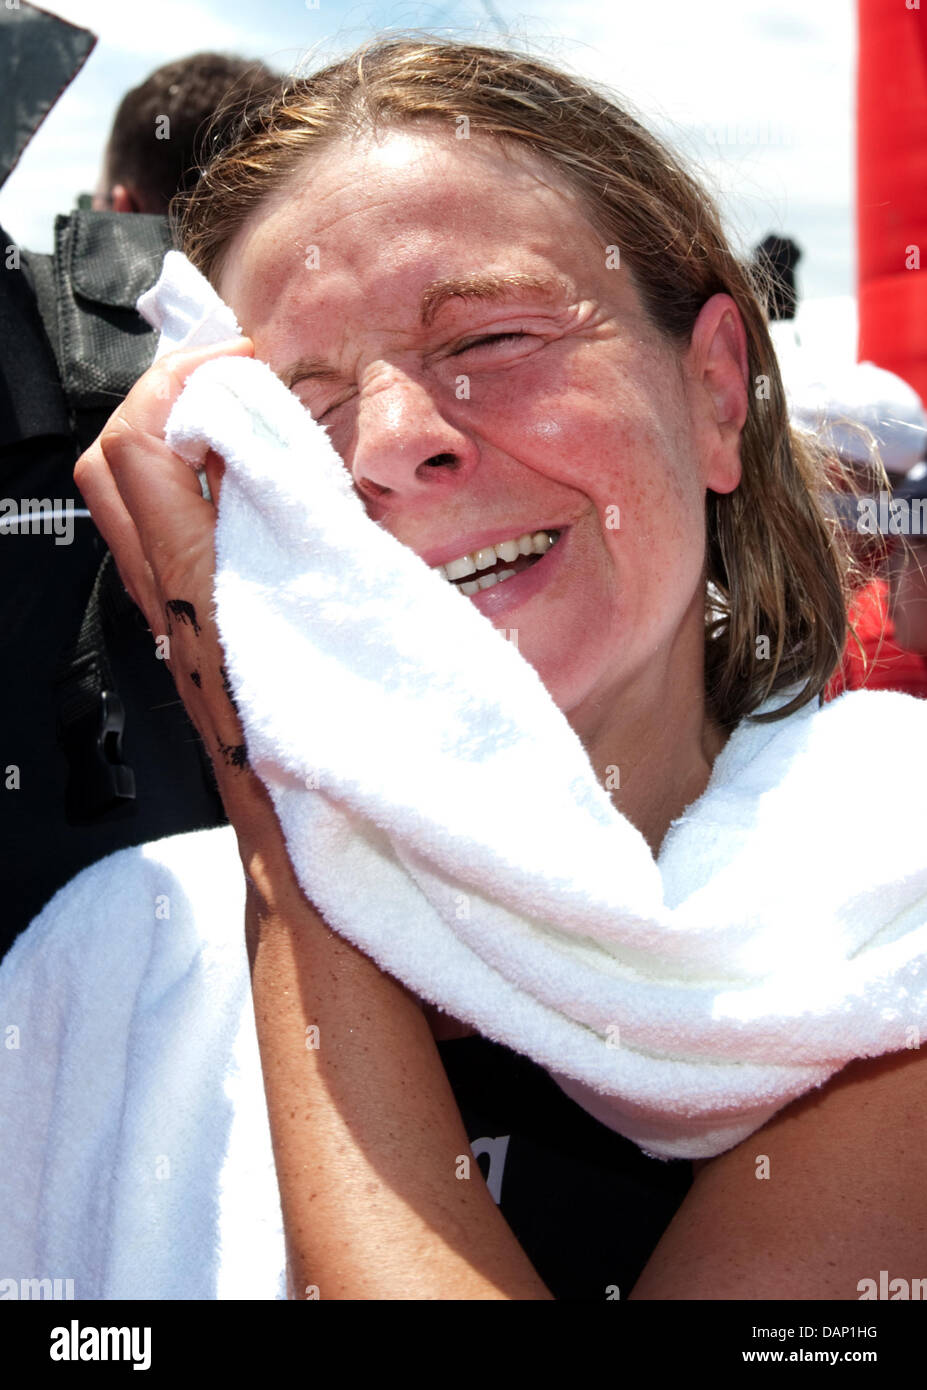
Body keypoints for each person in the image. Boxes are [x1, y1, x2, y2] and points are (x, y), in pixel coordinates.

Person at [7, 36, 927, 1301]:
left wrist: (283, 816)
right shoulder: (106, 968)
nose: (392, 443)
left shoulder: (891, 918)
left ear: (716, 392)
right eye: (294, 404)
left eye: (490, 337)